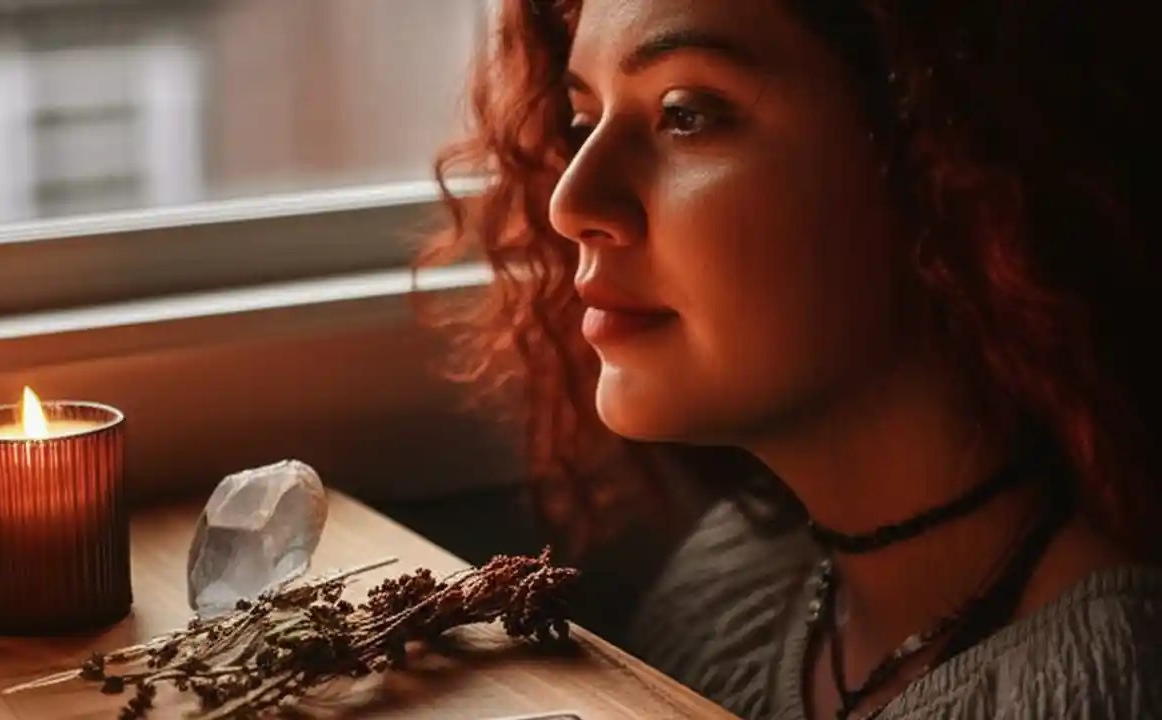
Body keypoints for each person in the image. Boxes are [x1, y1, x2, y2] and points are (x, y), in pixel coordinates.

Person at [421, 1, 1160, 718]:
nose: (572, 202)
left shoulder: (1105, 682)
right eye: (583, 121)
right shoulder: (730, 588)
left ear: (943, 159)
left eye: (685, 112)